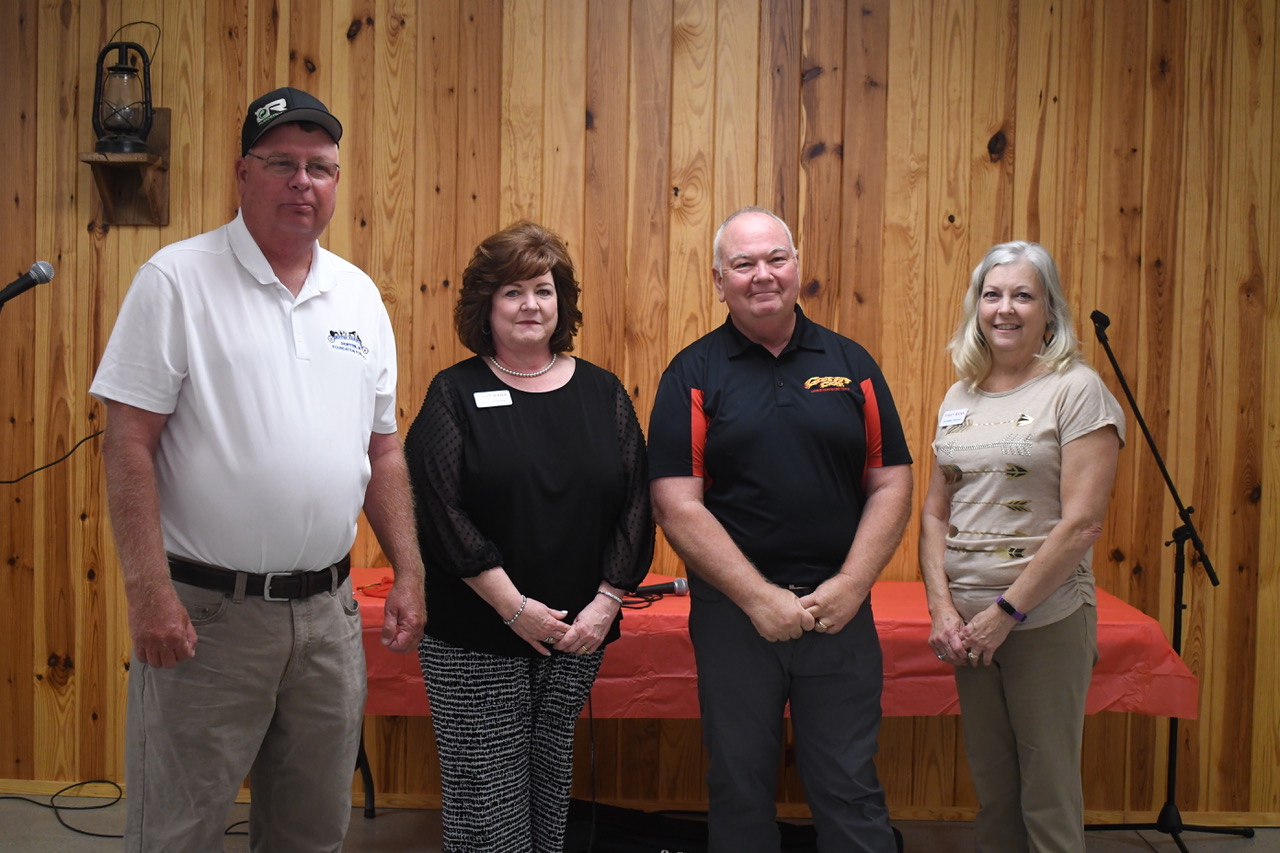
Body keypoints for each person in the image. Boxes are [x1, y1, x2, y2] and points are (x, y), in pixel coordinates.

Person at [90, 87, 426, 853]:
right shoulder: (177, 280)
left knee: (311, 833)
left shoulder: (360, 298)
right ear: (243, 172)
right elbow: (128, 442)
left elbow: (382, 450)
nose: (302, 182)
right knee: (181, 831)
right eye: (282, 163)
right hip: (206, 618)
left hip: (327, 619)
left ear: (337, 181)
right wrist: (148, 592)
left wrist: (409, 569)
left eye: (320, 167)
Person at [648, 207, 913, 852]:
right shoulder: (692, 372)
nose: (762, 275)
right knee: (738, 789)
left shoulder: (851, 363)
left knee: (850, 787)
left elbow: (893, 483)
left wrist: (853, 583)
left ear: (798, 268)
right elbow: (677, 504)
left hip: (840, 613)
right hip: (735, 617)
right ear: (718, 281)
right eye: (743, 264)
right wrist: (758, 597)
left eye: (776, 259)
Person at [404, 221, 654, 853]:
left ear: (560, 303)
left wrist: (606, 604)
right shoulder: (453, 394)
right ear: (485, 306)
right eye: (512, 292)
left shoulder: (603, 391)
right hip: (477, 636)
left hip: (577, 636)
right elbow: (437, 511)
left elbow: (635, 502)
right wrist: (514, 609)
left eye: (542, 290)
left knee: (548, 791)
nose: (530, 305)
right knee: (488, 805)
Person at [918, 241, 1125, 852]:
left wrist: (1004, 614)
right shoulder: (960, 396)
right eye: (992, 294)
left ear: (1049, 311)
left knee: (1047, 791)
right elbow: (935, 510)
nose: (1004, 308)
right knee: (996, 791)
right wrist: (943, 609)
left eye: (1022, 295)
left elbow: (1082, 523)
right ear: (976, 307)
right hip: (968, 627)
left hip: (1041, 618)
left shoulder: (1077, 390)